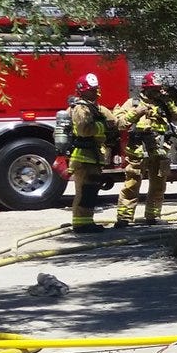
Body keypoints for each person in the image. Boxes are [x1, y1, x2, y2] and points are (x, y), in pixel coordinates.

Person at [113, 72, 177, 227]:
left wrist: (168, 101)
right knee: (132, 183)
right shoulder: (133, 103)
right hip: (137, 151)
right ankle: (124, 218)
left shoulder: (163, 103)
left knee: (158, 184)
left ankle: (153, 216)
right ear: (145, 88)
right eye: (154, 89)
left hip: (159, 150)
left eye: (159, 89)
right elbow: (120, 123)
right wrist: (137, 113)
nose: (157, 92)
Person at [64, 74, 117, 234]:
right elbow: (84, 130)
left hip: (93, 156)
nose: (95, 93)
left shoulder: (95, 107)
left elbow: (113, 122)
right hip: (83, 156)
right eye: (91, 90)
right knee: (84, 191)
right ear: (82, 91)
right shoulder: (81, 108)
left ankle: (87, 222)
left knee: (91, 191)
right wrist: (104, 126)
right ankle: (81, 224)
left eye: (95, 90)